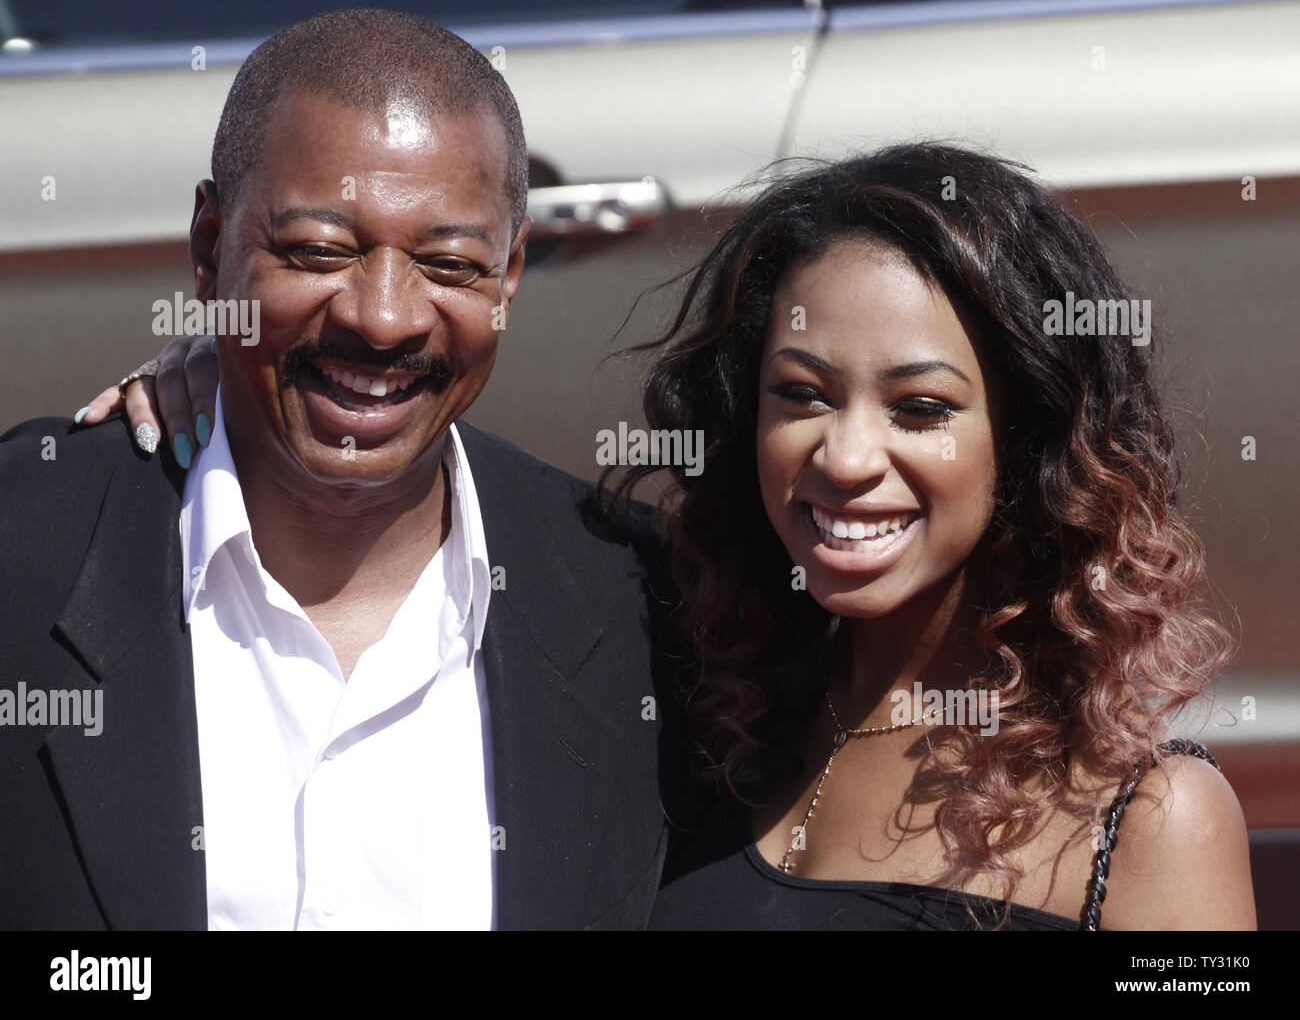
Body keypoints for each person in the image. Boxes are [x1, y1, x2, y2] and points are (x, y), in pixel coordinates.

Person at [84, 142, 1257, 930]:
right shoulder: (695, 713)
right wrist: (231, 384)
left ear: (1032, 441)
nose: (847, 455)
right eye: (801, 393)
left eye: (920, 407)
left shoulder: (1148, 821)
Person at [0, 8, 671, 931]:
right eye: (319, 250)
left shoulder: (644, 610)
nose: (386, 317)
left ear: (510, 273)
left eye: (448, 263)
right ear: (209, 245)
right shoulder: (27, 552)